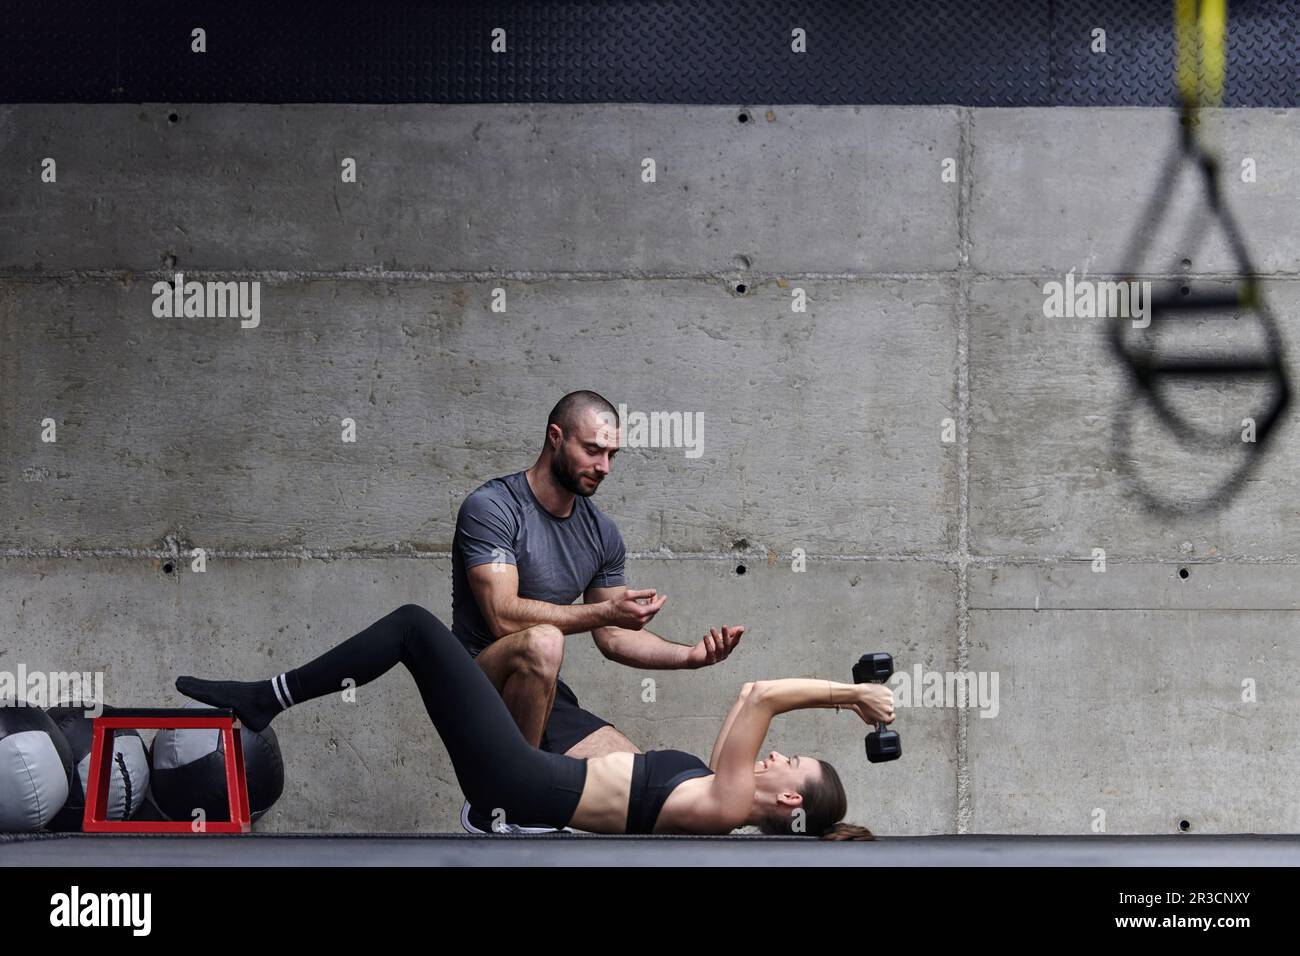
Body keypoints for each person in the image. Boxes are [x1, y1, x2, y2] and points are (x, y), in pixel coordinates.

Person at [176, 603, 890, 838]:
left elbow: (762, 693)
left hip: (515, 782)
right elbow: (746, 701)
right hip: (541, 767)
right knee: (539, 665)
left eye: (789, 764)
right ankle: (272, 696)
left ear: (789, 799)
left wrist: (850, 696)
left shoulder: (730, 802)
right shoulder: (715, 786)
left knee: (415, 630)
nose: (776, 757)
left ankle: (267, 696)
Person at [451, 389, 744, 831]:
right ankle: (507, 804)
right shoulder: (493, 508)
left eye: (611, 455)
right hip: (475, 680)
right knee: (543, 642)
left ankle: (529, 800)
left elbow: (613, 637)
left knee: (647, 790)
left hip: (542, 687)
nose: (603, 467)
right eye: (592, 451)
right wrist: (604, 614)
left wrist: (690, 657)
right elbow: (504, 617)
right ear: (555, 437)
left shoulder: (600, 533)